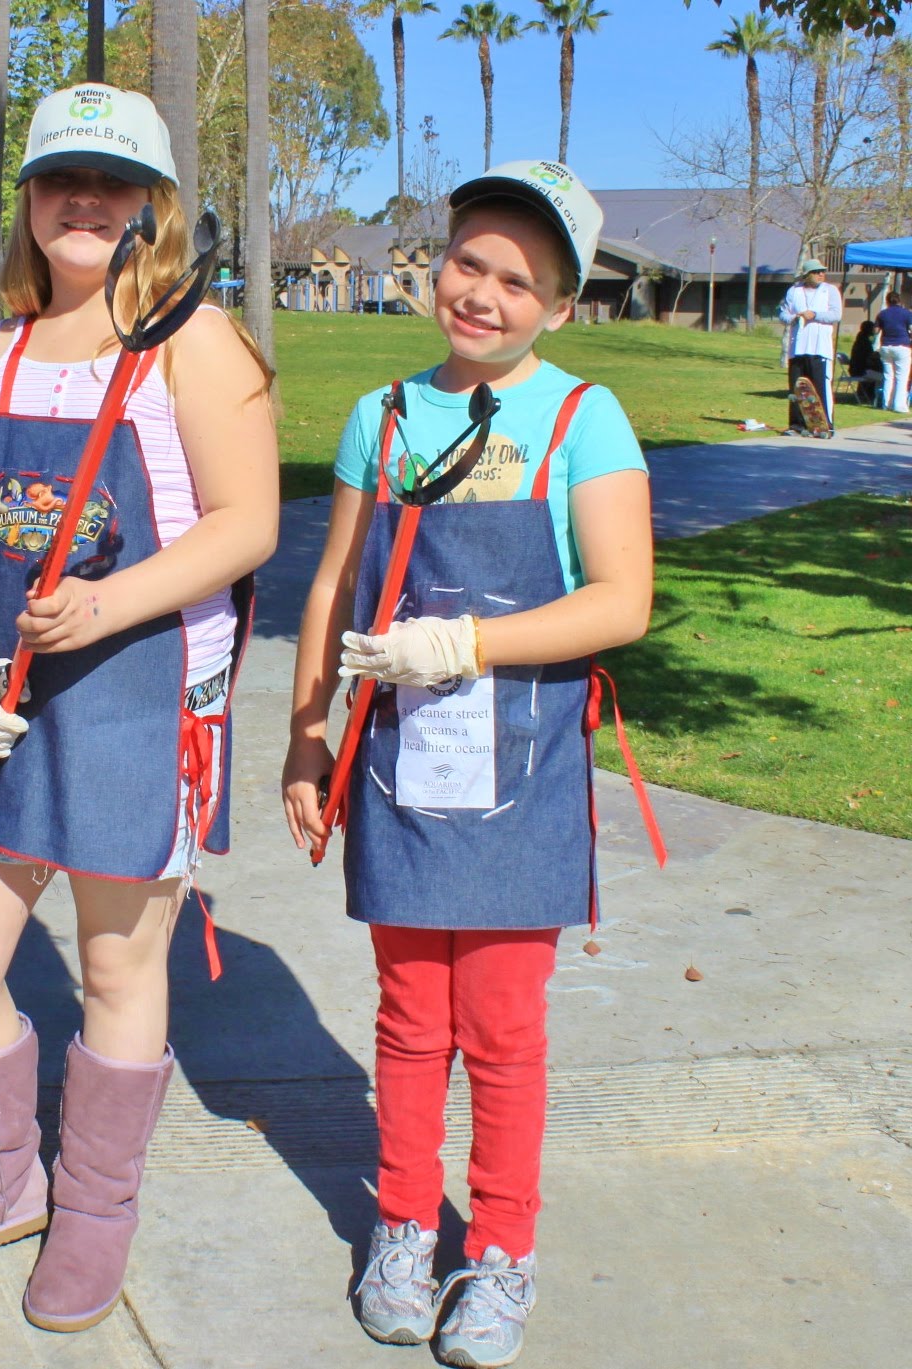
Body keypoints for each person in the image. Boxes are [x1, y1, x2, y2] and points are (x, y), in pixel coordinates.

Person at [0, 82, 277, 1332]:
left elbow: (247, 523)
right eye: (58, 180)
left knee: (112, 960)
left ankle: (94, 1204)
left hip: (142, 697)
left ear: (152, 203)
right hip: (6, 698)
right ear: (29, 200)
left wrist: (108, 605)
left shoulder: (193, 342)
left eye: (110, 182)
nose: (81, 202)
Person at [282, 161, 653, 1367]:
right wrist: (306, 732)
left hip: (521, 772)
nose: (481, 294)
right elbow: (333, 581)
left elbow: (621, 600)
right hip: (398, 771)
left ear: (556, 304)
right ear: (434, 262)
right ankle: (401, 1224)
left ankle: (497, 1251)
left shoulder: (579, 416)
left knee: (499, 1027)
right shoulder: (381, 416)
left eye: (517, 280)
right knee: (405, 1018)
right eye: (467, 262)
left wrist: (471, 639)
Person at [779, 257, 842, 436]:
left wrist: (814, 314)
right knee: (797, 388)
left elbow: (836, 315)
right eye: (816, 272)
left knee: (820, 388)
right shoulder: (793, 291)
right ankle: (797, 425)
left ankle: (825, 425)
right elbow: (783, 313)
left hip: (820, 347)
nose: (821, 274)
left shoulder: (830, 291)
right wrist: (794, 317)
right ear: (807, 275)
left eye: (822, 271)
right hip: (797, 347)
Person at [874, 291, 912, 412]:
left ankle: (886, 404)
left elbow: (875, 331)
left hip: (885, 346)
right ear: (900, 301)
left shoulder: (882, 314)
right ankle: (899, 405)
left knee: (888, 376)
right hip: (902, 346)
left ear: (887, 301)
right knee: (901, 376)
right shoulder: (906, 313)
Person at [848, 317, 883, 405]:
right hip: (861, 371)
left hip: (856, 370)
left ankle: (864, 392)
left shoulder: (860, 340)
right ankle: (873, 395)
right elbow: (868, 359)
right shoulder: (864, 343)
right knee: (883, 374)